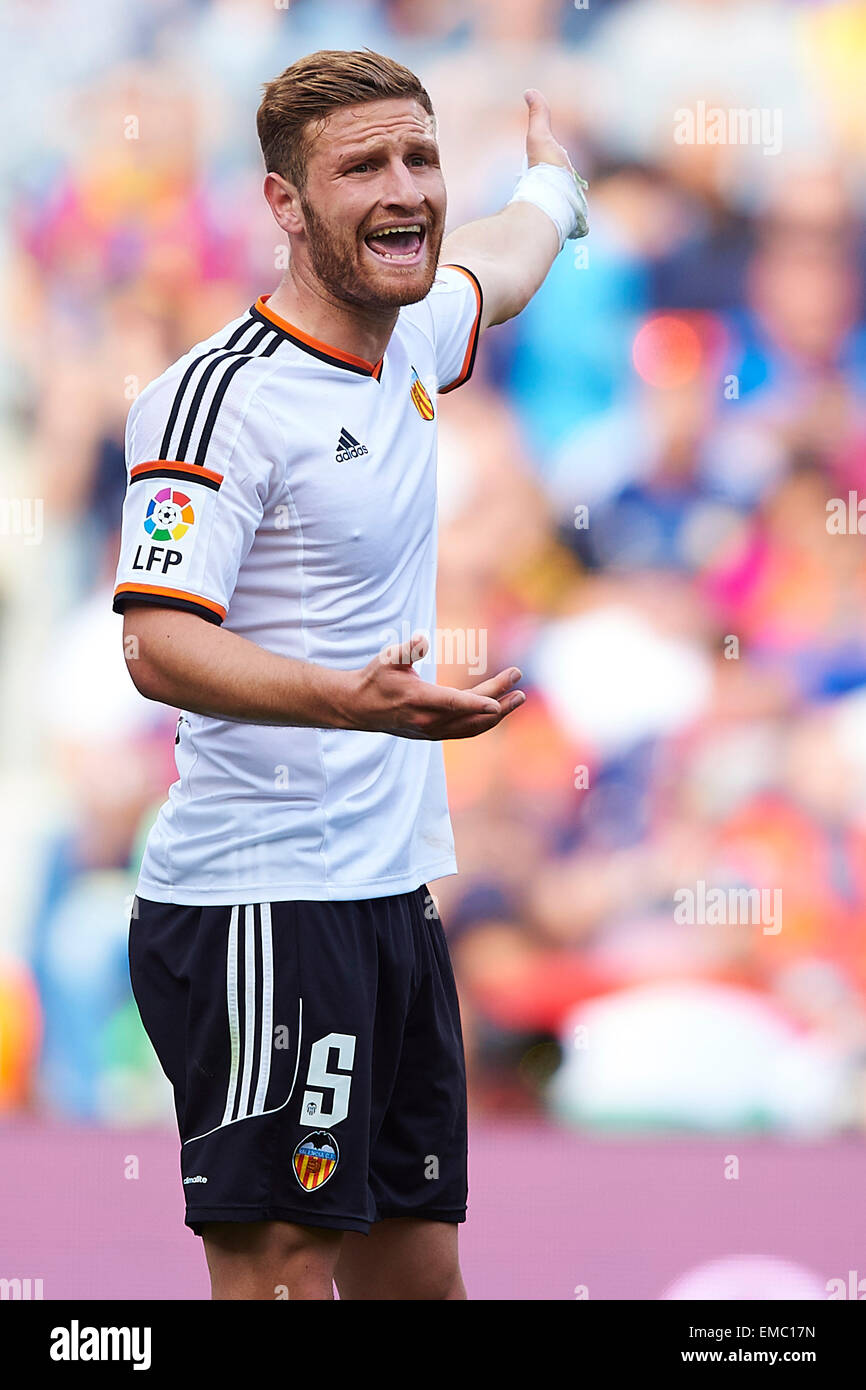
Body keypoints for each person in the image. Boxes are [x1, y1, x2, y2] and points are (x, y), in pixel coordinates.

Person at [113, 47, 587, 1301]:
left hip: (385, 895)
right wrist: (346, 698)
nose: (404, 190)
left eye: (419, 159)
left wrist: (555, 187)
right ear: (283, 205)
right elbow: (155, 641)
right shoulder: (215, 400)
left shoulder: (417, 330)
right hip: (261, 900)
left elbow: (512, 257)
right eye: (360, 166)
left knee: (417, 1278)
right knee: (281, 1273)